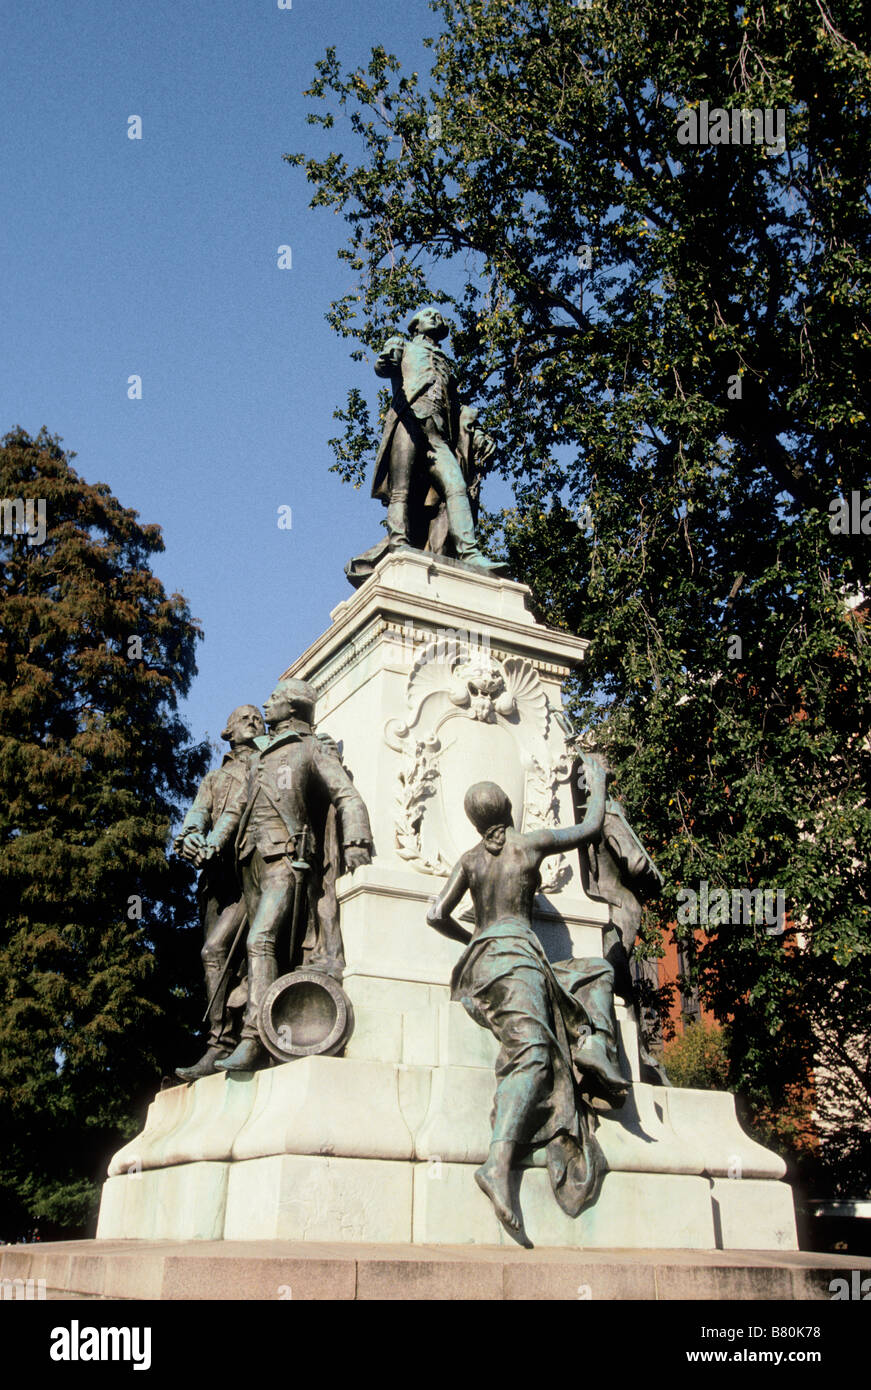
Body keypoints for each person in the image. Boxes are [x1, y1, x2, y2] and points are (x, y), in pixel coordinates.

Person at [426, 757, 628, 1242]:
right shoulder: (529, 843)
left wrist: (475, 936)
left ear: (475, 821)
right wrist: (596, 783)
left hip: (489, 958)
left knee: (594, 971)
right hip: (515, 959)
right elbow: (590, 826)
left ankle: (592, 1046)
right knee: (534, 1052)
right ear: (510, 809)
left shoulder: (470, 860)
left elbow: (436, 914)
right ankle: (497, 1161)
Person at [204, 679, 373, 1072]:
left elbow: (346, 795)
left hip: (285, 860)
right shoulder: (260, 759)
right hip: (249, 865)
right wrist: (213, 843)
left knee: (260, 939)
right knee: (227, 949)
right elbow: (236, 811)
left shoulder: (309, 748)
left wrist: (357, 841)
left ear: (294, 708)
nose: (267, 704)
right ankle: (223, 1039)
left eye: (275, 699)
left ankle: (253, 1037)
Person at [369, 305, 504, 570]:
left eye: (439, 316)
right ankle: (399, 544)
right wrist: (385, 361)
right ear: (415, 326)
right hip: (409, 423)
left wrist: (475, 435)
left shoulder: (445, 363)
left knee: (456, 488)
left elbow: (454, 409)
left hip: (438, 436)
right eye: (428, 315)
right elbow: (383, 366)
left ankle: (470, 553)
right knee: (401, 491)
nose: (435, 317)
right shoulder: (403, 345)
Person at [173, 704, 265, 1081]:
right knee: (218, 956)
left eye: (258, 717)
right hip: (217, 882)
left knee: (217, 951)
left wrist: (214, 841)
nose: (254, 721)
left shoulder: (267, 766)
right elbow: (199, 812)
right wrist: (191, 838)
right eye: (245, 718)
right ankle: (225, 1040)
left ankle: (225, 1041)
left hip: (251, 875)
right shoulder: (215, 777)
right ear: (228, 731)